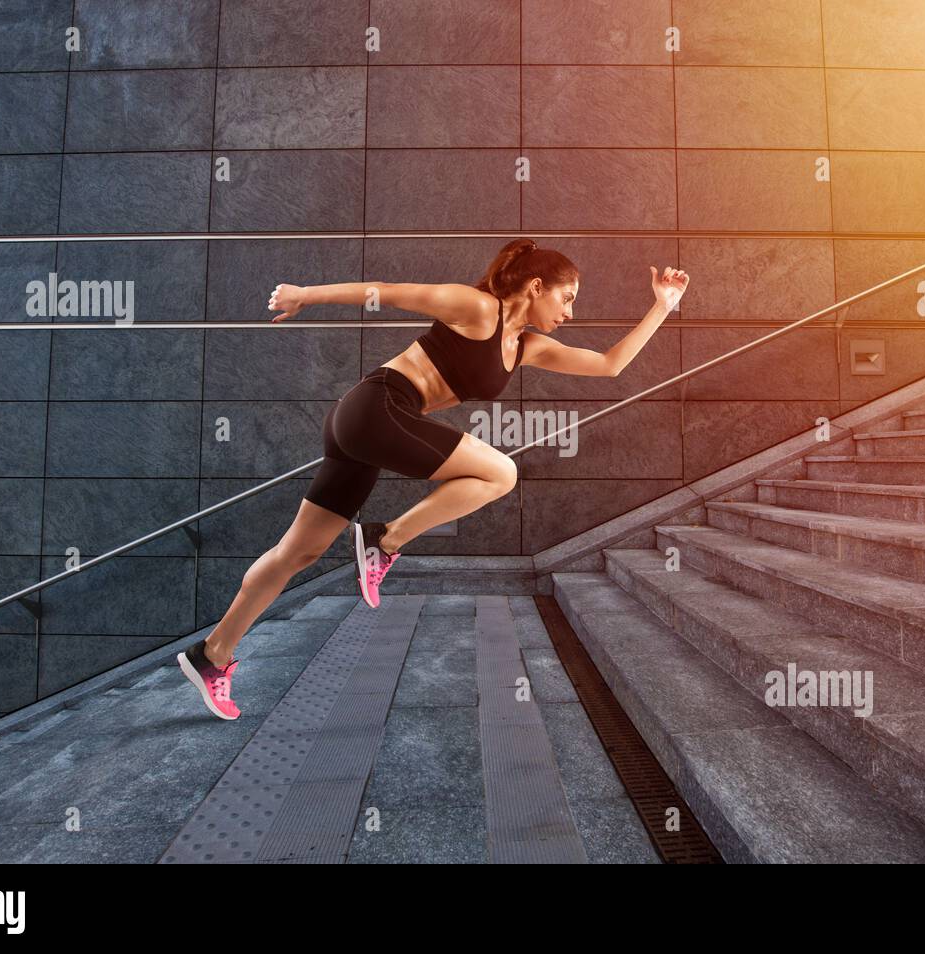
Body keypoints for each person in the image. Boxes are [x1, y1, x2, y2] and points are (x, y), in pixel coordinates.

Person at [178, 238, 689, 719]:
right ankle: (384, 538)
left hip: (366, 426)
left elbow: (609, 365)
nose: (570, 312)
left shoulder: (524, 346)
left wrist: (663, 305)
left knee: (299, 552)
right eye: (567, 297)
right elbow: (388, 294)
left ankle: (213, 653)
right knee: (501, 472)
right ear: (536, 286)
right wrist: (303, 295)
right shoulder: (476, 308)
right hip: (376, 407)